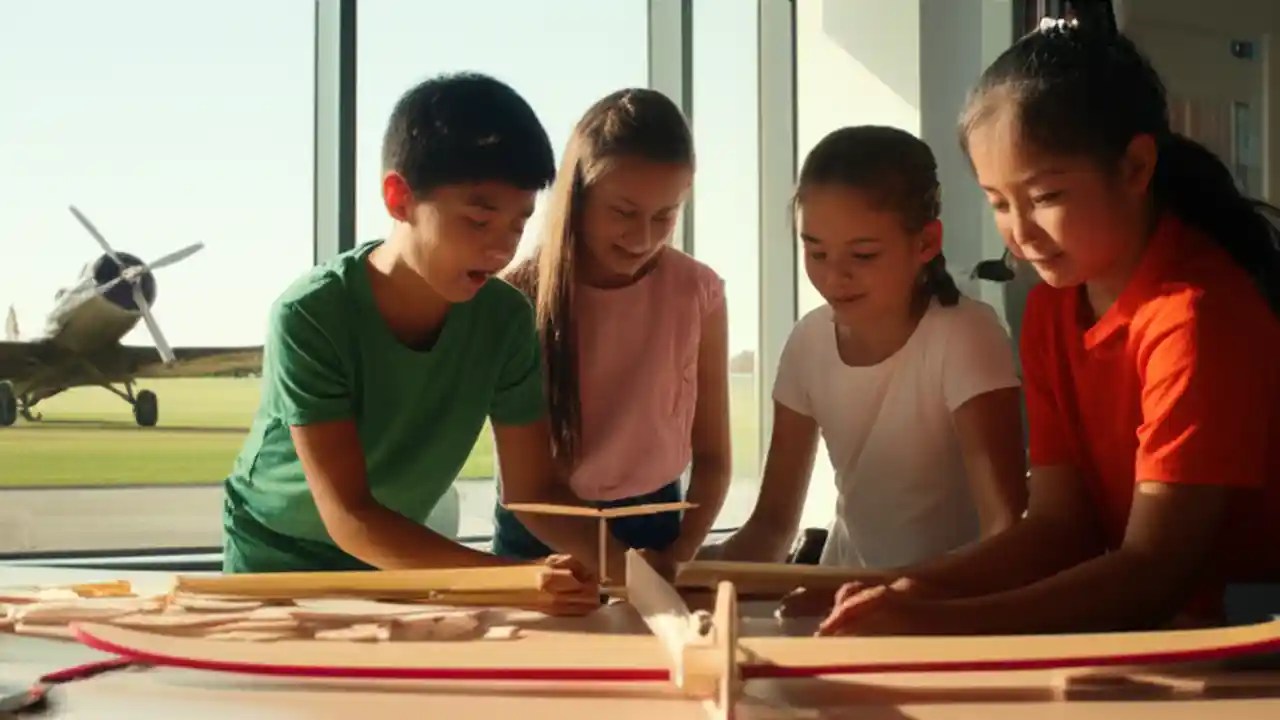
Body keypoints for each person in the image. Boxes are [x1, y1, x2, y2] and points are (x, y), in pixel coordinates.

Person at [817, 19, 1280, 637]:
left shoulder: (1197, 315)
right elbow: (1061, 526)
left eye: (1045, 196)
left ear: (1137, 166)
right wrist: (901, 591)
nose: (1020, 232)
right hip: (1167, 627)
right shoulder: (1051, 311)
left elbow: (1156, 570)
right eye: (998, 202)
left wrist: (937, 619)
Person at [220, 72, 597, 614]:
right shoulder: (309, 314)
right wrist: (508, 580)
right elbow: (351, 517)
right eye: (478, 219)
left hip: (398, 556)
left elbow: (533, 490)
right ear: (399, 198)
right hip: (274, 562)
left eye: (518, 226)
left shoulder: (506, 320)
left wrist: (629, 566)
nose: (500, 252)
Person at [701, 126, 1028, 610]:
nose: (834, 276)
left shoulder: (965, 335)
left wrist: (883, 594)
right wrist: (685, 570)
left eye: (863, 255)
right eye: (815, 252)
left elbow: (1005, 532)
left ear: (926, 243)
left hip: (947, 608)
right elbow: (771, 528)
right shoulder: (809, 342)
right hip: (843, 599)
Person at [492, 88, 732, 578]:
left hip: (660, 525)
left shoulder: (698, 291)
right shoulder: (514, 297)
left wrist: (680, 553)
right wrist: (620, 565)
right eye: (623, 212)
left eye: (665, 216)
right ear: (577, 196)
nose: (643, 237)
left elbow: (714, 456)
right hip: (542, 528)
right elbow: (527, 490)